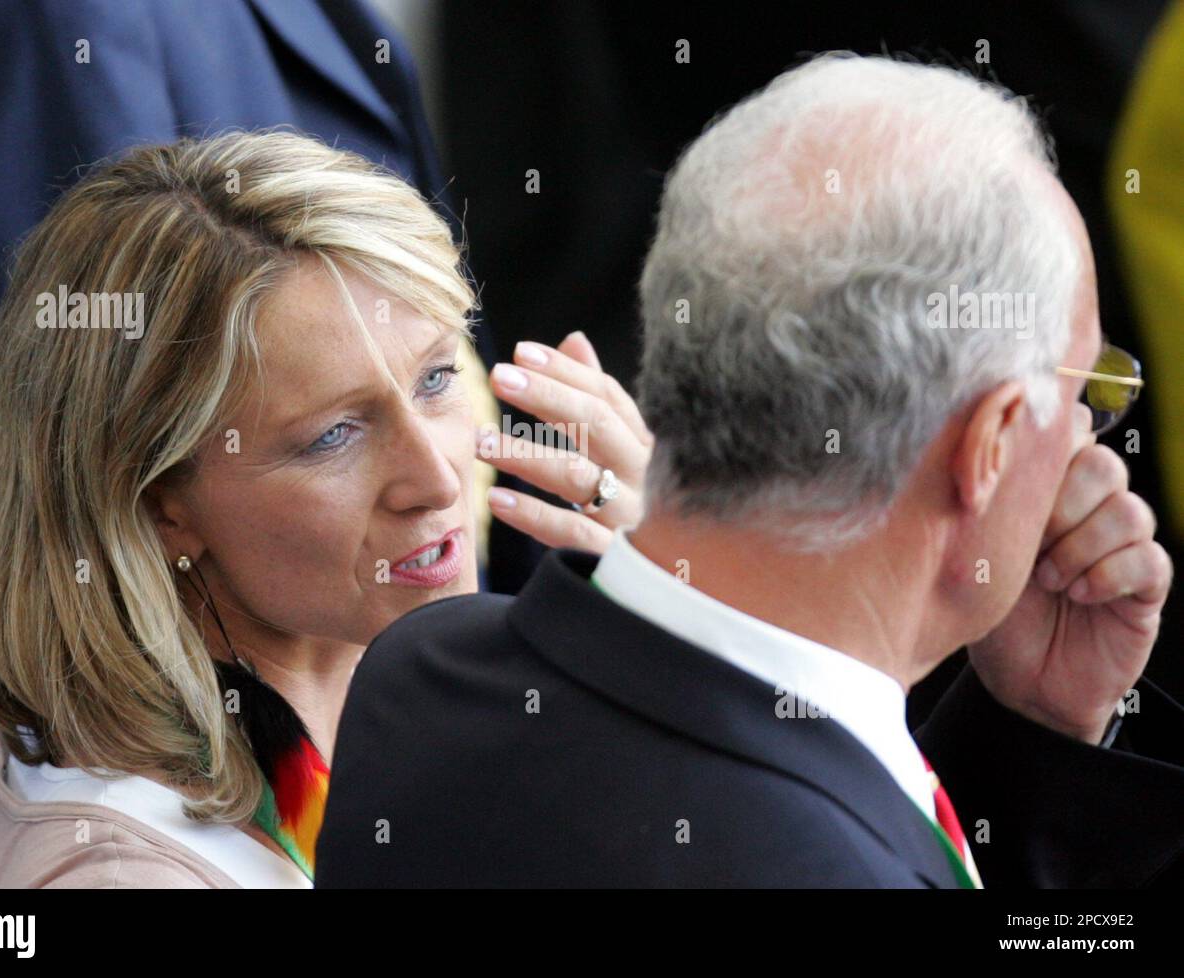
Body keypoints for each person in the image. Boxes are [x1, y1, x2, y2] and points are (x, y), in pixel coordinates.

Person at [313, 53, 1184, 888]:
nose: (1088, 433)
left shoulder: (419, 679)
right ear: (988, 447)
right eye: (1086, 383)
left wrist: (1031, 740)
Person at [0, 130, 651, 887]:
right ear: (162, 506)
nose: (436, 479)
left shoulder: (372, 658)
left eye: (436, 379)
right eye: (333, 435)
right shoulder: (121, 873)